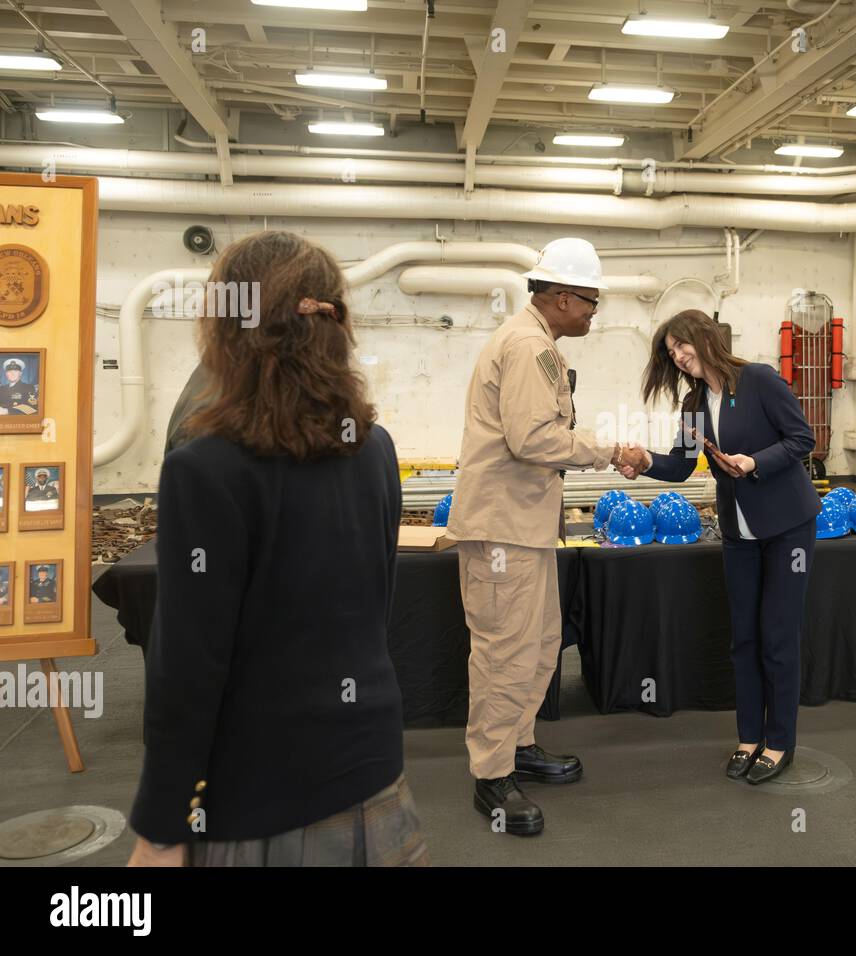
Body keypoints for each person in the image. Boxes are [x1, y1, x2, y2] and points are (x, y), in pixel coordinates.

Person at [127, 230, 431, 867]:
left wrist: (160, 828)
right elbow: (374, 609)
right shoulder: (374, 448)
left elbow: (186, 670)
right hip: (377, 781)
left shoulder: (205, 469)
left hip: (262, 804)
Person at [448, 237, 642, 835]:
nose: (592, 312)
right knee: (505, 650)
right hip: (503, 529)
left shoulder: (538, 343)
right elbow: (533, 440)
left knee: (536, 644)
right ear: (559, 298)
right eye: (588, 301)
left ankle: (519, 746)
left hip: (523, 527)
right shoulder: (530, 346)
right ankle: (491, 776)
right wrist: (611, 450)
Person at [619, 309, 821, 784]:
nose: (678, 356)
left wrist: (753, 461)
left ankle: (779, 741)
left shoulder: (759, 380)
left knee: (776, 638)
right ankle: (748, 737)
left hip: (788, 527)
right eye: (670, 352)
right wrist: (645, 460)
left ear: (705, 337)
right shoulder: (693, 405)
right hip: (739, 534)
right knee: (744, 641)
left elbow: (801, 439)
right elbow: (681, 466)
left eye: (681, 344)